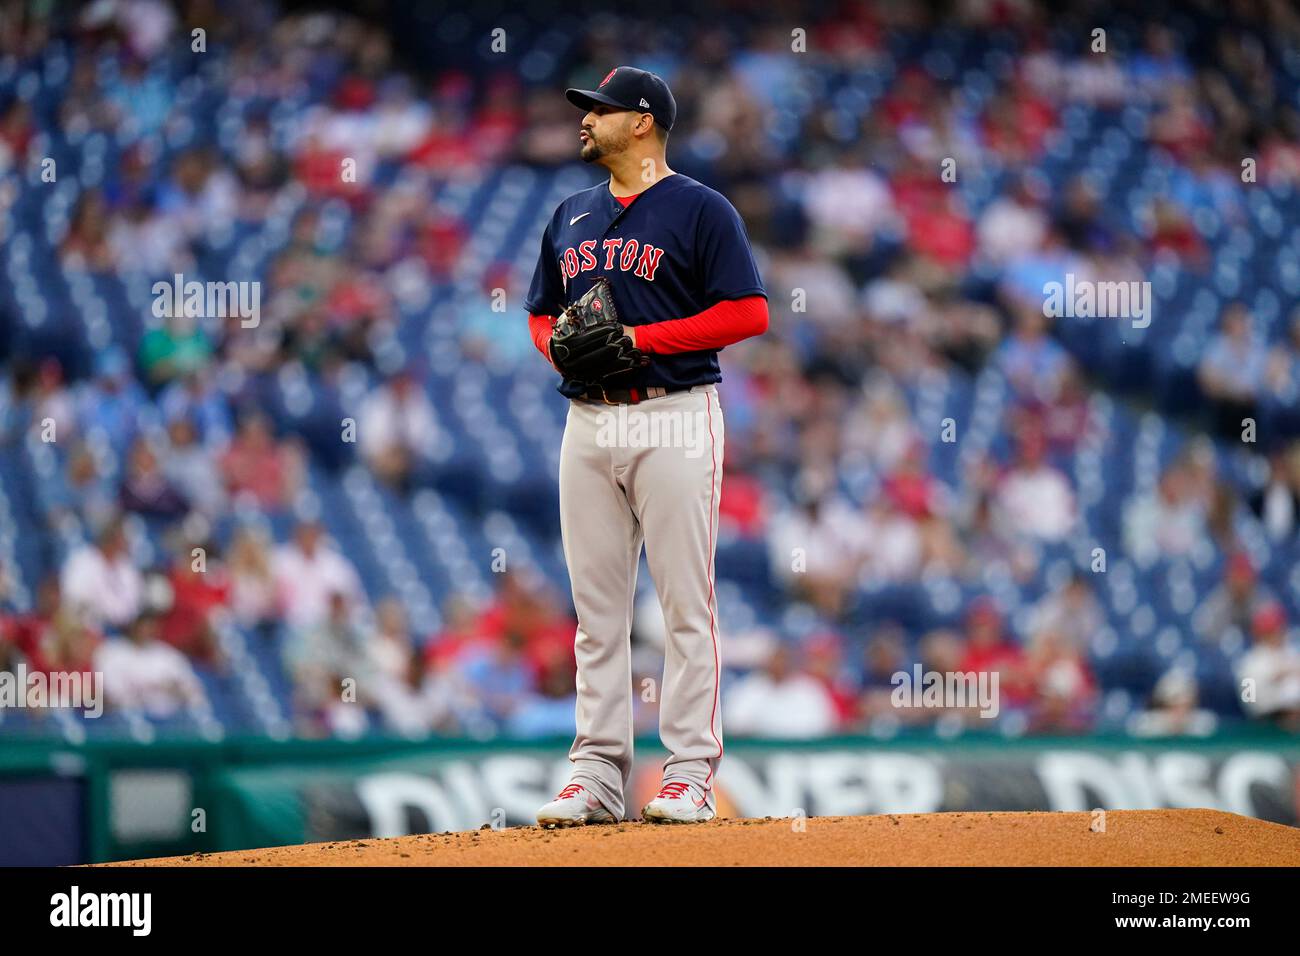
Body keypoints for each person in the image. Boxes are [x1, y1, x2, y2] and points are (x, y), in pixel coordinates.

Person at [525, 67, 768, 827]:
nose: (584, 121)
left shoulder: (701, 209)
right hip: (588, 421)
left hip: (674, 414)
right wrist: (560, 351)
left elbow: (749, 312)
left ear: (642, 121)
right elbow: (542, 315)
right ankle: (597, 773)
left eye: (597, 111)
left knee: (681, 607)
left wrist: (639, 339)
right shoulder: (570, 213)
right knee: (597, 613)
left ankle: (689, 772)